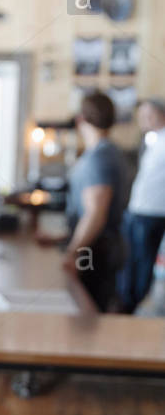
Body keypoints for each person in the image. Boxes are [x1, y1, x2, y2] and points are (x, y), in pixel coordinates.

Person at [62, 91, 129, 312]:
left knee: (88, 316)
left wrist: (73, 252)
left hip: (95, 251)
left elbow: (95, 214)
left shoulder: (99, 157)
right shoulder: (111, 151)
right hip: (102, 247)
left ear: (81, 119)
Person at [118, 97, 165, 313]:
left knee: (143, 261)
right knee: (131, 260)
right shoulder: (151, 139)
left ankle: (133, 303)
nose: (144, 120)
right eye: (141, 115)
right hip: (138, 210)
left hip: (152, 212)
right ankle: (128, 301)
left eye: (149, 115)